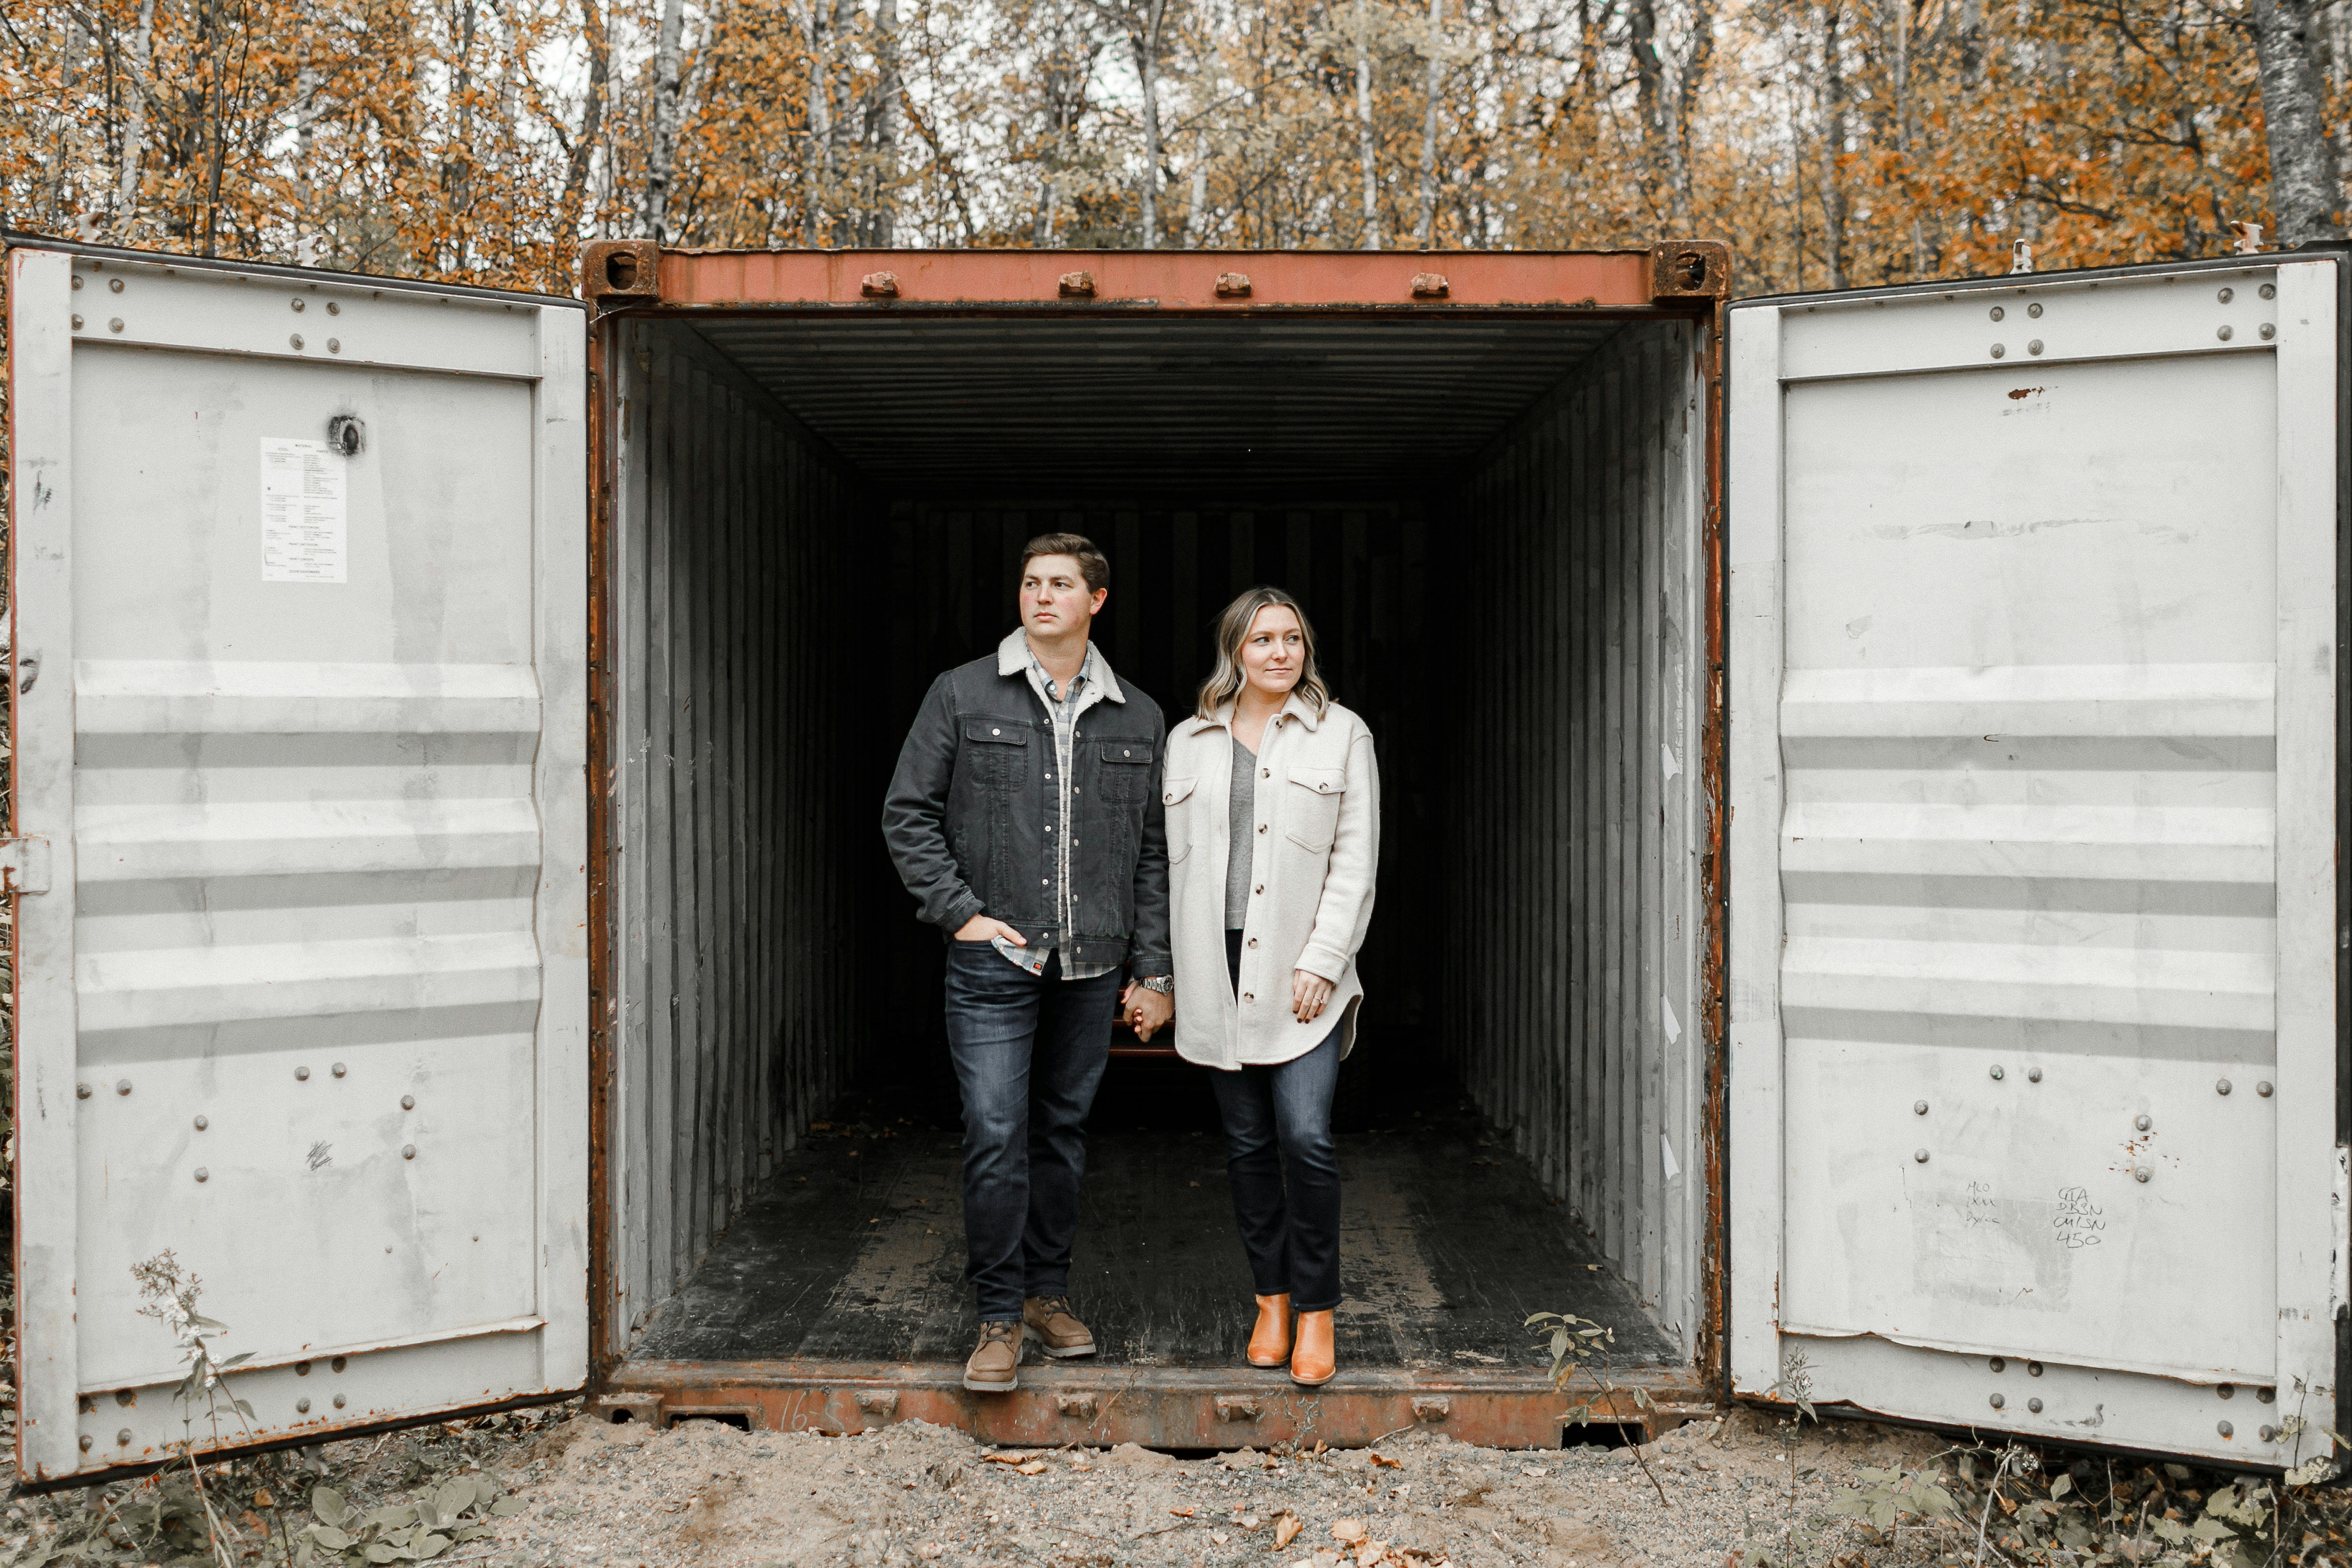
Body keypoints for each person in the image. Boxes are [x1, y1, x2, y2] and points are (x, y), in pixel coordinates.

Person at [882, 534, 1175, 1393]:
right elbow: (908, 813)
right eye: (1030, 582)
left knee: (1060, 1135)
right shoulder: (963, 693)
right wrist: (961, 914)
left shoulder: (1139, 714)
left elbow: (1153, 853)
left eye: (1060, 584)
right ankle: (1000, 1317)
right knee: (996, 1132)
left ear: (1097, 600)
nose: (1041, 595)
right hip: (994, 961)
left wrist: (1152, 970)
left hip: (1092, 965)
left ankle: (1049, 1295)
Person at [1144, 586, 1379, 1386]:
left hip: (1299, 968)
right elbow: (1166, 868)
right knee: (1246, 1147)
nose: (1279, 654)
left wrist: (1323, 958)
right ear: (1235, 652)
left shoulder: (1342, 735)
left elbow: (1355, 858)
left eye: (1292, 640)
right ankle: (1271, 1298)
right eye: (1262, 641)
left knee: (1305, 1138)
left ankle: (1317, 1309)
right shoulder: (1189, 741)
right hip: (1216, 966)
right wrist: (1165, 975)